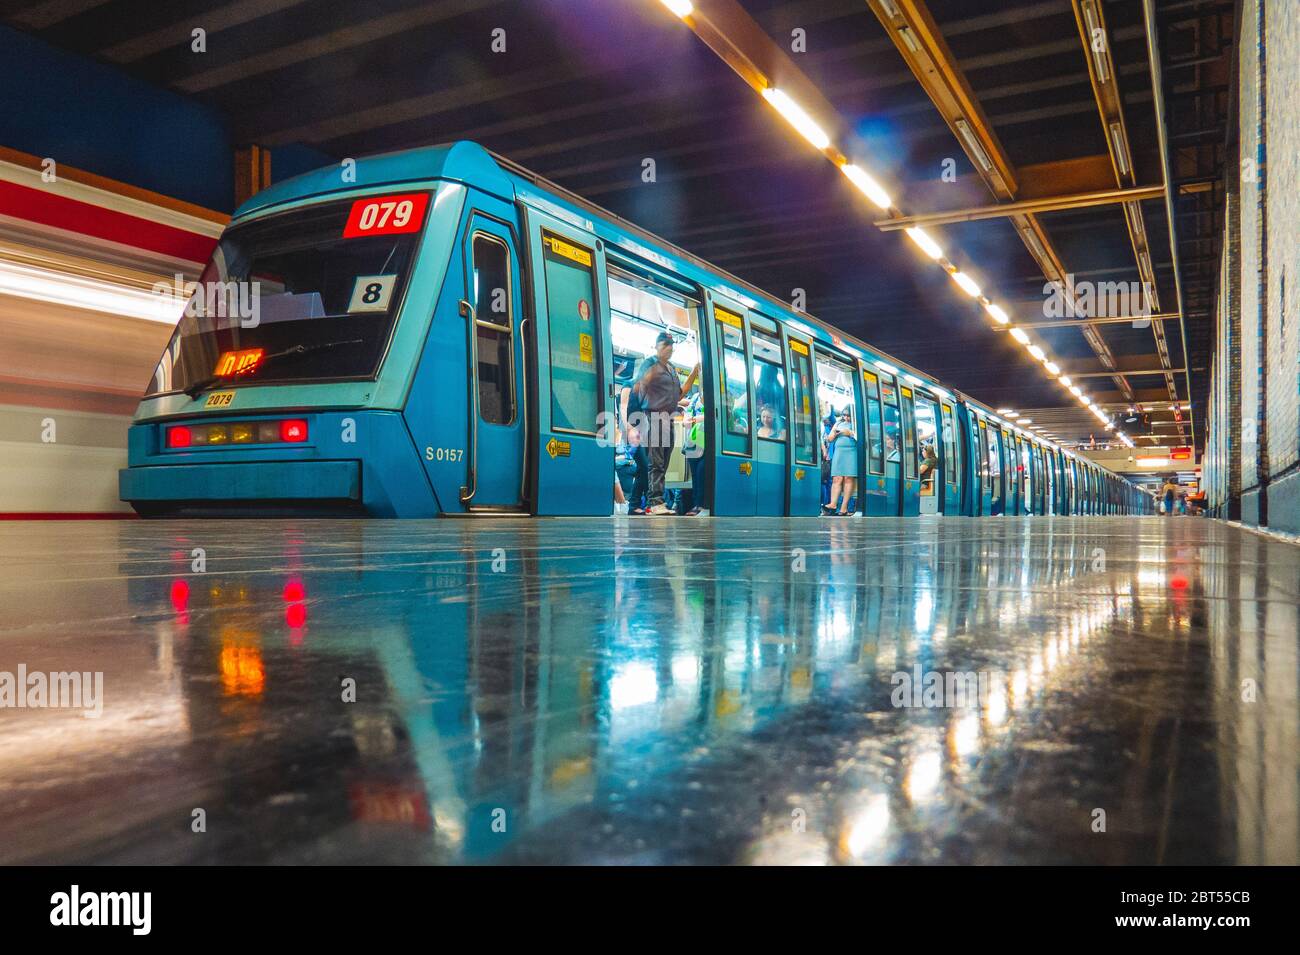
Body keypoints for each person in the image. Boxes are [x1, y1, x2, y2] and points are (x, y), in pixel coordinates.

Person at [632, 331, 699, 515]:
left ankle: (658, 500)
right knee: (657, 461)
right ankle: (655, 502)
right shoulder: (650, 363)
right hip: (653, 417)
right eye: (664, 345)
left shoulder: (671, 369)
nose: (668, 349)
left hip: (668, 419)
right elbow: (639, 387)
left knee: (665, 460)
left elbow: (679, 394)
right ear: (657, 347)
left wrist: (694, 372)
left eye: (670, 346)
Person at [823, 408, 858, 516]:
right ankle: (833, 504)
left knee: (848, 478)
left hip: (852, 452)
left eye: (848, 415)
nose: (846, 418)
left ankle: (844, 507)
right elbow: (829, 439)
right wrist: (835, 432)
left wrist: (850, 433)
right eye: (845, 415)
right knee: (836, 478)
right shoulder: (838, 423)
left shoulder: (857, 423)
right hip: (839, 452)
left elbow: (860, 437)